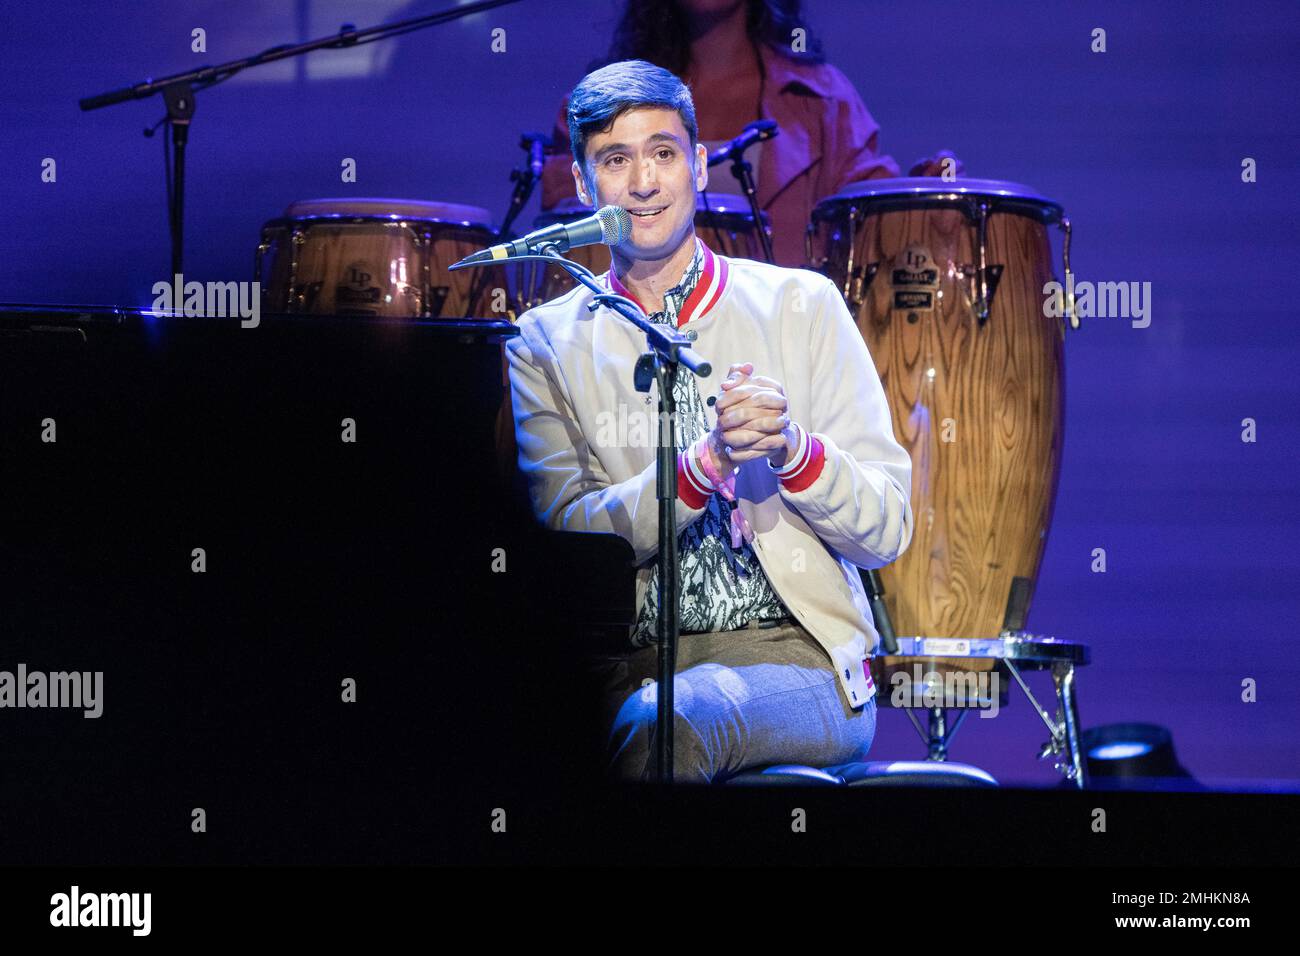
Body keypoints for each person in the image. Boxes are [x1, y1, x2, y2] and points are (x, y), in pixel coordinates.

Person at [506, 60, 913, 783]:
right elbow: (559, 542)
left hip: (799, 664)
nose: (643, 183)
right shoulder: (544, 342)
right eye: (615, 160)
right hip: (619, 672)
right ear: (581, 186)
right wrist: (699, 472)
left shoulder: (803, 304)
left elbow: (886, 528)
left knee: (671, 721)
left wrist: (794, 451)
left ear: (698, 166)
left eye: (663, 153)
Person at [540, 0, 961, 268]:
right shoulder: (598, 105)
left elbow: (869, 221)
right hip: (632, 347)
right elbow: (567, 236)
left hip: (779, 356)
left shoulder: (822, 98)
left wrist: (921, 195)